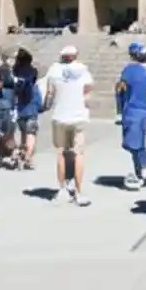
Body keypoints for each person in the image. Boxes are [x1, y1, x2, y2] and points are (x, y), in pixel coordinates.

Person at [44, 45, 94, 206]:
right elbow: (87, 93)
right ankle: (78, 192)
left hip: (60, 115)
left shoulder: (54, 69)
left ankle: (62, 189)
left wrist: (47, 104)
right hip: (78, 116)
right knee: (78, 153)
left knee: (61, 153)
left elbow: (50, 92)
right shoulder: (83, 70)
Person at [117, 42, 146, 190]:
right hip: (145, 110)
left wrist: (119, 111)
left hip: (132, 110)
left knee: (134, 144)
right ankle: (140, 173)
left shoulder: (128, 71)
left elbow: (120, 91)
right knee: (136, 141)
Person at [13, 50, 43, 170]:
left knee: (23, 135)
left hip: (20, 110)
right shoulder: (33, 81)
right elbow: (39, 101)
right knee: (31, 135)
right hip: (31, 111)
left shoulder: (16, 75)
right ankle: (28, 159)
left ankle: (20, 154)